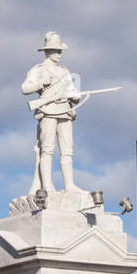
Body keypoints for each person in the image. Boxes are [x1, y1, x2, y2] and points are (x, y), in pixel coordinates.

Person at [20, 31, 85, 193]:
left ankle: (70, 185)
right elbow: (25, 88)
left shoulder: (65, 71)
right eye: (57, 50)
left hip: (65, 110)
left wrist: (75, 96)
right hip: (48, 110)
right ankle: (47, 185)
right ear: (48, 51)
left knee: (67, 150)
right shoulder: (38, 70)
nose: (60, 54)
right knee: (47, 150)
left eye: (61, 50)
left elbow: (71, 90)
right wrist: (41, 83)